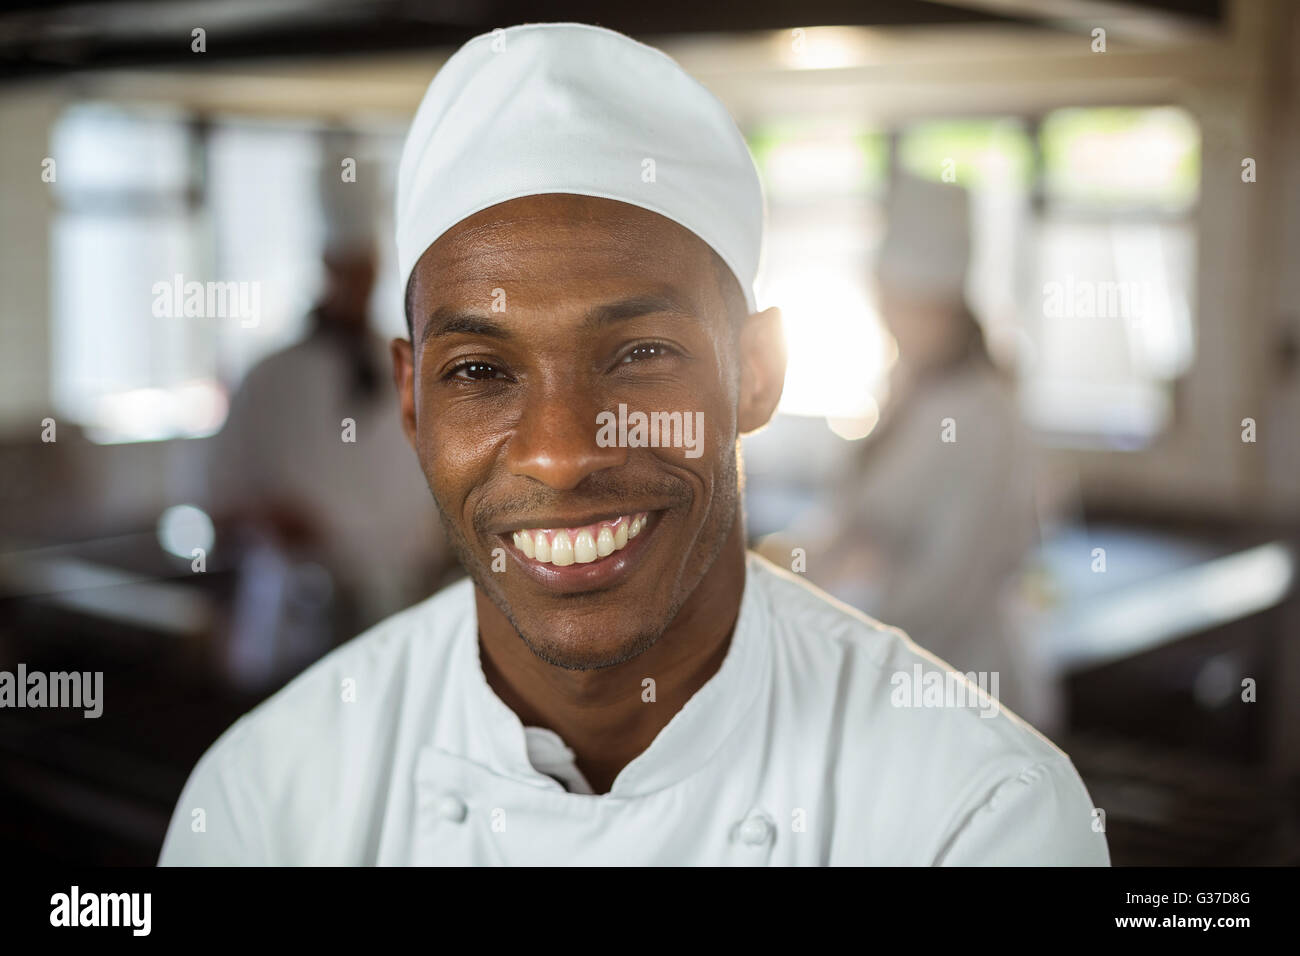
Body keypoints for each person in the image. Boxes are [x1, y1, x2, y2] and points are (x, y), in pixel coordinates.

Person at [160, 22, 1107, 865]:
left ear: (759, 373)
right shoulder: (264, 803)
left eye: (641, 353)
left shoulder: (977, 817)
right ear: (413, 399)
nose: (563, 453)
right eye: (481, 373)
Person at [772, 173, 1061, 734]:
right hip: (900, 679)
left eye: (898, 301)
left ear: (941, 305)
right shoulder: (909, 387)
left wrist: (838, 602)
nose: (887, 316)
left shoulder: (983, 419)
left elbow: (945, 585)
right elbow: (862, 524)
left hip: (966, 690)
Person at [204, 145, 450, 686]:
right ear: (324, 269)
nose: (355, 286)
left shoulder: (409, 366)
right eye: (345, 271)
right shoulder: (269, 378)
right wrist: (267, 519)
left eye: (364, 272)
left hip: (395, 613)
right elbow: (217, 499)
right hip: (292, 623)